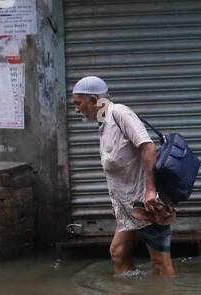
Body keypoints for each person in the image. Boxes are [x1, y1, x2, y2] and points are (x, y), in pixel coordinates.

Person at [71, 76, 175, 276]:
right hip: (127, 206)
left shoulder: (120, 114)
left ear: (93, 100)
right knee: (118, 253)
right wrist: (117, 204)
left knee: (160, 263)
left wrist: (151, 190)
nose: (76, 110)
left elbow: (148, 146)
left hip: (146, 205)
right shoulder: (104, 122)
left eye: (78, 103)